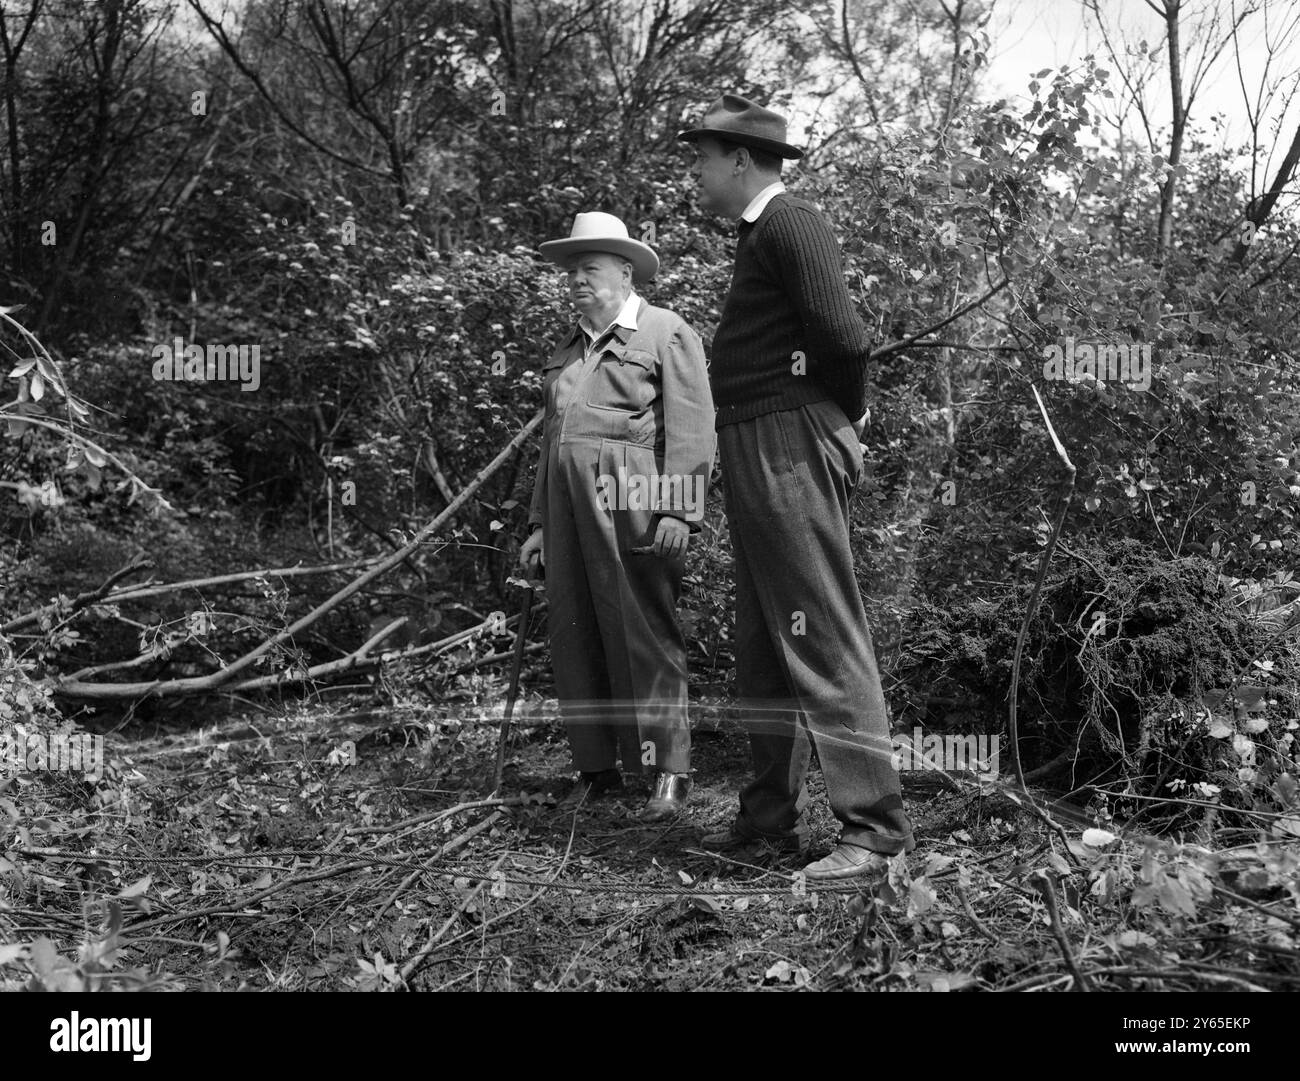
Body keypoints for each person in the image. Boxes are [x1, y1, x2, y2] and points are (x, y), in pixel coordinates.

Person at [678, 94, 915, 878]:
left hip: (788, 440)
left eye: (703, 158)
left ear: (741, 160)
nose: (697, 173)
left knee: (824, 630)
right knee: (765, 642)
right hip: (755, 441)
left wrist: (836, 421)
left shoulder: (791, 222)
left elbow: (843, 339)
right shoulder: (759, 235)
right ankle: (769, 820)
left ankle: (874, 831)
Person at [519, 212, 715, 822]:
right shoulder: (565, 349)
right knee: (574, 634)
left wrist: (680, 511)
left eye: (590, 268)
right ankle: (598, 771)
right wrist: (538, 524)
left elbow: (693, 426)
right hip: (566, 512)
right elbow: (552, 443)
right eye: (571, 270)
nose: (576, 279)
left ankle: (669, 773)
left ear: (625, 273)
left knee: (644, 631)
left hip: (634, 508)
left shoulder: (666, 332)